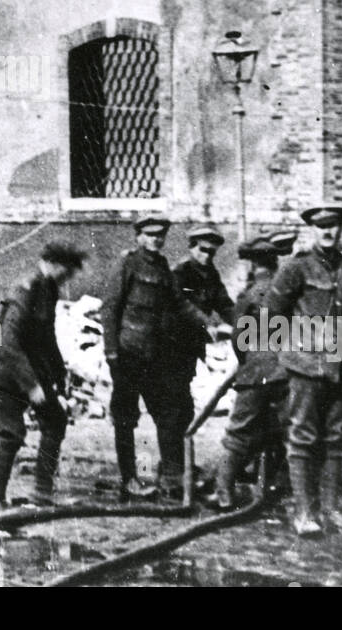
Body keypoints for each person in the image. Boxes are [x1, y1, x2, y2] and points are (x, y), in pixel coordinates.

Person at [101, 216, 216, 500]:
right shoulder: (127, 264)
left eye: (160, 235)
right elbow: (110, 309)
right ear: (138, 236)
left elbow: (179, 302)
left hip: (153, 357)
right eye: (149, 235)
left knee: (168, 414)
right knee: (126, 419)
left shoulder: (164, 267)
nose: (155, 240)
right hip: (127, 355)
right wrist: (111, 352)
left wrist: (207, 323)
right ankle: (129, 480)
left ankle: (172, 476)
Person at [267, 205, 342, 536]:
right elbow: (269, 315)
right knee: (303, 437)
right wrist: (289, 355)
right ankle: (304, 512)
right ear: (311, 230)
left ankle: (331, 510)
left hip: (341, 366)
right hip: (307, 367)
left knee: (336, 438)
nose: (328, 232)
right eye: (322, 226)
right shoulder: (296, 268)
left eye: (335, 226)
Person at [0, 242, 87, 509]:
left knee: (55, 421)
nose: (69, 279)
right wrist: (31, 386)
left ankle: (42, 491)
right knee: (12, 433)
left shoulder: (48, 289)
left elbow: (46, 336)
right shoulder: (26, 288)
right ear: (52, 263)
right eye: (67, 272)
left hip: (28, 369)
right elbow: (4, 342)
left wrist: (59, 372)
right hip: (6, 372)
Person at [213, 235, 291, 509]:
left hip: (255, 371)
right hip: (285, 370)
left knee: (239, 432)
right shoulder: (288, 291)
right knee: (291, 430)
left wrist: (246, 361)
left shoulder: (250, 294)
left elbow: (238, 338)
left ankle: (223, 491)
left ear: (253, 265)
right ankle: (290, 487)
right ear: (276, 262)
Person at [168, 224, 236, 492]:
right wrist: (207, 323)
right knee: (174, 408)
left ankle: (181, 464)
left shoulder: (210, 274)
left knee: (184, 407)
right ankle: (173, 471)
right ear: (192, 247)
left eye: (212, 252)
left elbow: (225, 304)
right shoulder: (179, 273)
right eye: (202, 250)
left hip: (189, 349)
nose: (207, 256)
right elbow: (181, 305)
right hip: (171, 347)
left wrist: (248, 326)